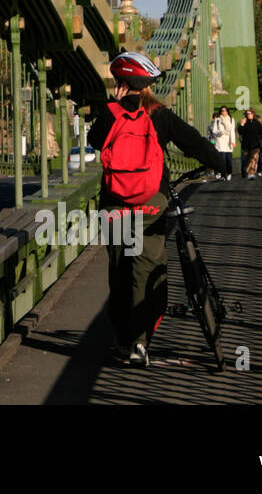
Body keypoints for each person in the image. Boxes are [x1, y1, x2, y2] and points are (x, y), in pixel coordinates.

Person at [87, 51, 230, 368]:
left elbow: (96, 141)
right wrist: (223, 165)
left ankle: (123, 340)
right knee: (148, 268)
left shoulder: (110, 114)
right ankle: (141, 342)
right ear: (148, 84)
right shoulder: (160, 115)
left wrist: (114, 107)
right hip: (152, 202)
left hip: (115, 204)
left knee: (120, 271)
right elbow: (194, 143)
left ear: (121, 82)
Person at [238, 109, 262, 179]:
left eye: (250, 113)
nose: (249, 115)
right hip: (246, 145)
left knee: (253, 159)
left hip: (255, 144)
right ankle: (248, 172)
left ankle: (252, 174)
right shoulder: (244, 123)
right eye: (247, 114)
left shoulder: (257, 123)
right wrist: (242, 124)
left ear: (253, 114)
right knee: (247, 160)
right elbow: (240, 132)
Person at [208, 106, 236, 180]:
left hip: (228, 142)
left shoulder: (231, 120)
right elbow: (214, 131)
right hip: (220, 141)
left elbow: (232, 131)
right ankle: (223, 175)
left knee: (229, 160)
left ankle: (229, 173)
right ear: (220, 112)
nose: (224, 112)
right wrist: (220, 132)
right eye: (222, 111)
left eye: (225, 110)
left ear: (227, 111)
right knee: (222, 159)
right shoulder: (217, 120)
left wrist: (233, 141)